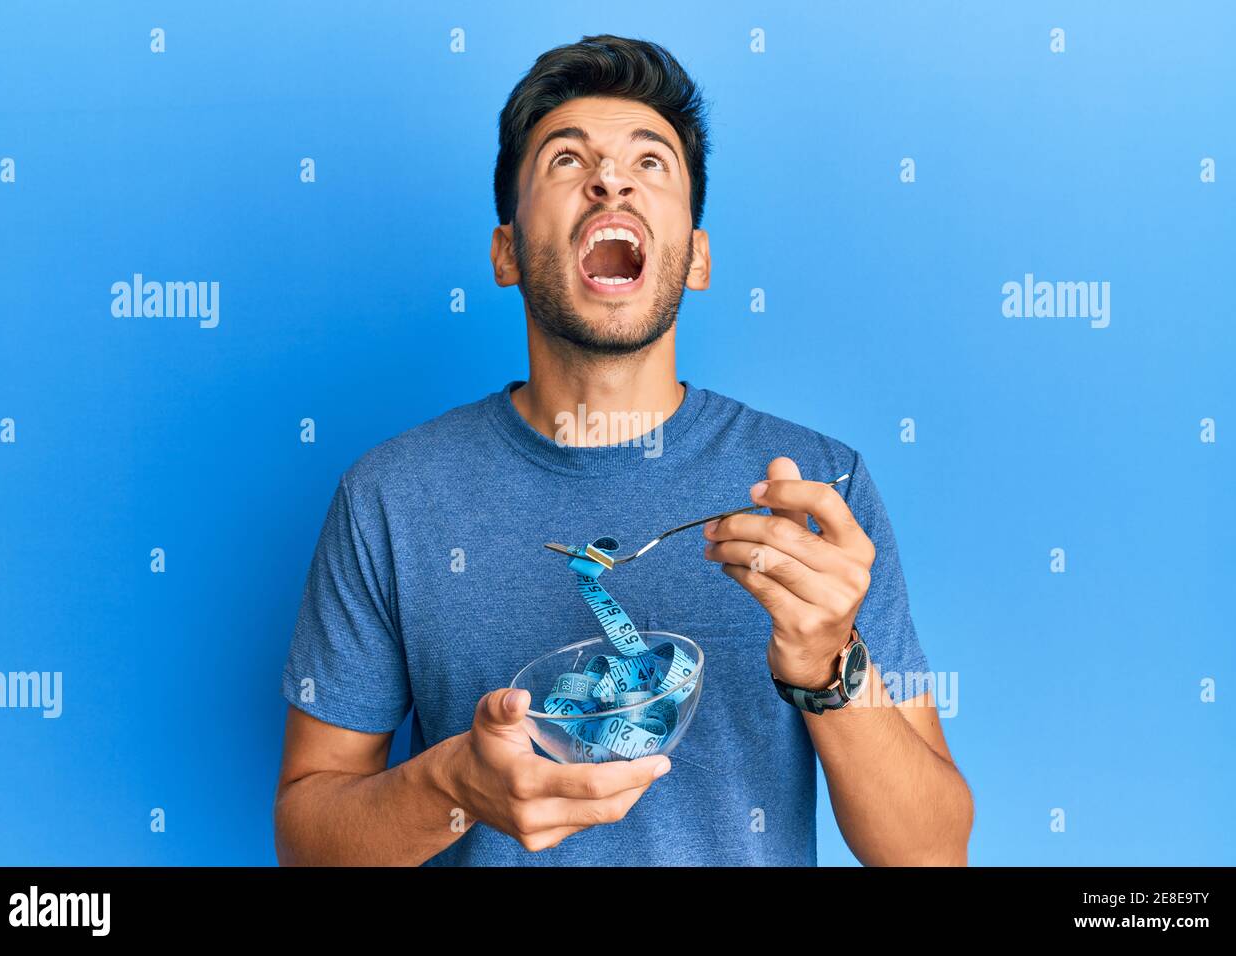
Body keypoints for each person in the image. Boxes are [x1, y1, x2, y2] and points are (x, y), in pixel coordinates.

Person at [273, 34, 973, 866]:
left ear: (699, 256)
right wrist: (454, 788)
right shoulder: (390, 497)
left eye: (652, 163)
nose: (611, 179)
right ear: (505, 252)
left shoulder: (821, 491)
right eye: (567, 161)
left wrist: (829, 666)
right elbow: (309, 843)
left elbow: (930, 854)